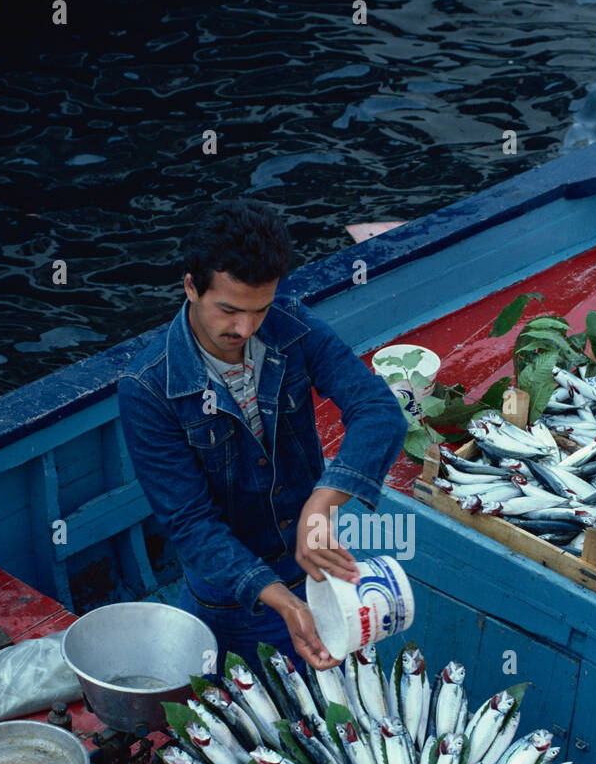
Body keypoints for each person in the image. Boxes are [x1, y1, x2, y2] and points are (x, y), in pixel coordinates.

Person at [117, 199, 407, 672]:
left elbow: (379, 411)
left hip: (314, 566)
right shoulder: (148, 387)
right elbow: (191, 524)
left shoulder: (291, 324)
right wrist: (283, 602)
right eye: (229, 310)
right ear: (191, 286)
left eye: (260, 309)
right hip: (233, 594)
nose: (245, 327)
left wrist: (321, 506)